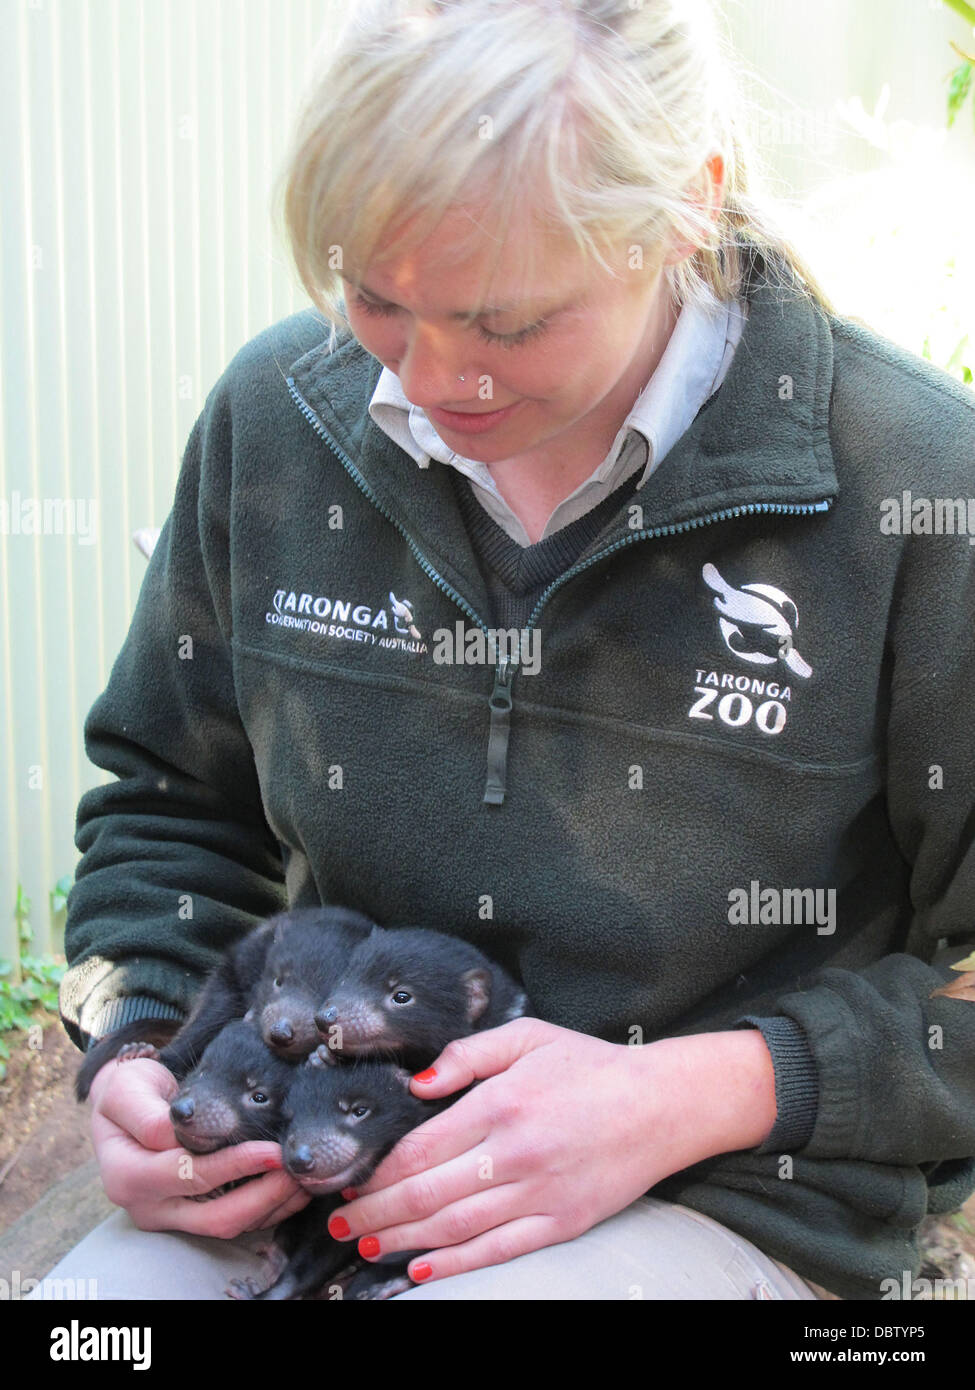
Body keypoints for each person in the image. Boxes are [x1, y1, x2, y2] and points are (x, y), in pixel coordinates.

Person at [45, 0, 975, 1302]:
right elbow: (165, 802)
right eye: (373, 297)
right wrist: (143, 1042)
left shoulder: (921, 486)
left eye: (508, 322)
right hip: (302, 1153)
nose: (428, 380)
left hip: (717, 1196)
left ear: (685, 210)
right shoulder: (278, 417)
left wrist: (697, 1090)